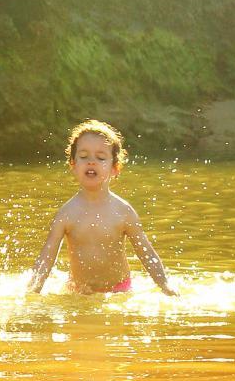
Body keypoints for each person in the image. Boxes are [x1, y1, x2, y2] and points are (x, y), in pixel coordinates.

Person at [28, 119, 178, 295]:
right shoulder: (67, 214)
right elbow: (47, 257)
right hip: (79, 292)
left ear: (115, 168)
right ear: (73, 165)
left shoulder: (123, 211)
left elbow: (147, 254)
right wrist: (33, 290)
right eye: (84, 157)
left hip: (119, 290)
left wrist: (165, 285)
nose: (91, 162)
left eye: (100, 157)